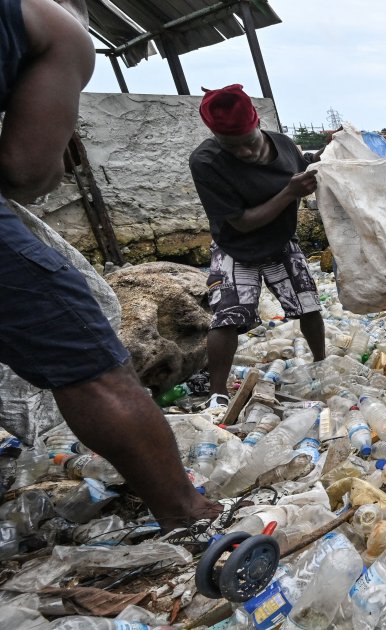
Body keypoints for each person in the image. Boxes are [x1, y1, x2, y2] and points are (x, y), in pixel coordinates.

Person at [0, 0, 221, 534]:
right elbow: (24, 171)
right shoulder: (57, 26)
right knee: (92, 363)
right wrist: (51, 157)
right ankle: (186, 512)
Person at [189, 85, 326, 409]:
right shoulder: (206, 161)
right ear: (215, 137)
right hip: (237, 247)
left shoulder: (282, 144)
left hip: (280, 242)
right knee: (227, 317)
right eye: (233, 148)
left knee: (309, 305)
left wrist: (327, 154)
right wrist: (289, 193)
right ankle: (217, 394)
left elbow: (302, 164)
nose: (245, 154)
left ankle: (322, 364)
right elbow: (242, 222)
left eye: (249, 143)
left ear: (258, 122)